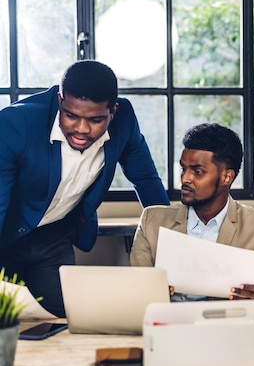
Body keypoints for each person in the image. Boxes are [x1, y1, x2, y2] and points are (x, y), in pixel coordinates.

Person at [0, 60, 169, 318]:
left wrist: (169, 245)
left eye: (95, 119)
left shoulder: (124, 120)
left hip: (54, 238)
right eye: (71, 115)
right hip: (7, 236)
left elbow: (146, 179)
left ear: (112, 110)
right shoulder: (15, 124)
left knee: (68, 320)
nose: (81, 129)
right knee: (8, 322)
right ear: (60, 100)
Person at [130, 123, 254, 300]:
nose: (185, 179)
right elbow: (137, 292)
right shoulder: (151, 221)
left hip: (225, 324)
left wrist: (252, 296)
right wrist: (153, 292)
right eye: (183, 169)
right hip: (165, 322)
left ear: (226, 177)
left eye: (197, 172)